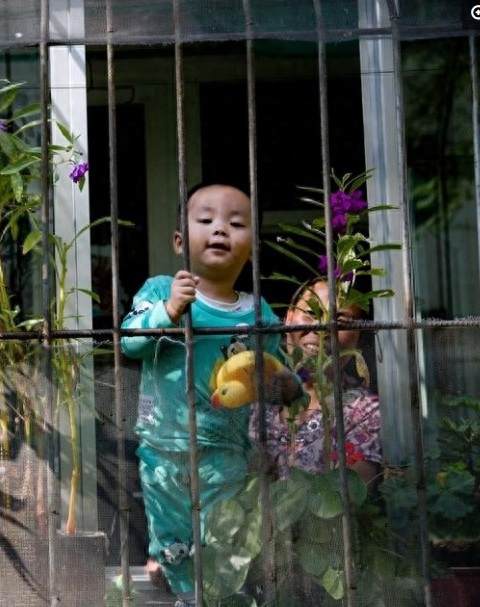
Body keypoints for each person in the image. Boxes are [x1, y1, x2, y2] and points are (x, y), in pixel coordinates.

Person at [121, 183, 295, 598]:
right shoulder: (160, 290)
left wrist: (287, 386)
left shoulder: (259, 314)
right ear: (180, 241)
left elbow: (273, 375)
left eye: (235, 224)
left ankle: (211, 597)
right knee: (174, 542)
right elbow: (129, 341)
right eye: (206, 221)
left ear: (251, 247)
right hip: (164, 450)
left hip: (224, 453)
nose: (220, 229)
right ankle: (182, 587)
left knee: (222, 541)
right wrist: (167, 312)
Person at [250, 278, 382, 489]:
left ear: (359, 335)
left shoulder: (364, 411)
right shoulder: (255, 397)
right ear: (288, 319)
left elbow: (348, 497)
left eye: (340, 318)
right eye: (311, 313)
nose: (321, 329)